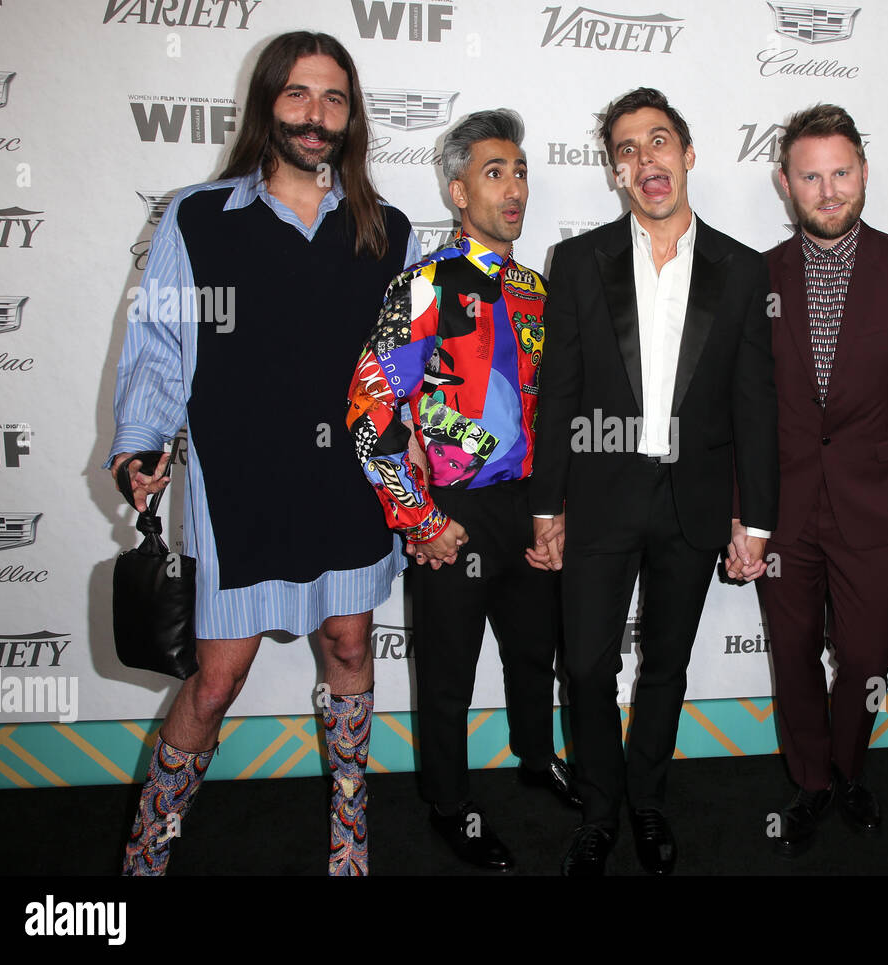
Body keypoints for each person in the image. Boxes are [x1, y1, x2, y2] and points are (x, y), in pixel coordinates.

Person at [107, 31, 421, 876]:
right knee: (215, 682)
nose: (315, 116)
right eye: (298, 95)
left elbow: (403, 376)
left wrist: (420, 483)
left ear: (352, 118)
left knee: (351, 648)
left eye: (334, 99)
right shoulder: (198, 216)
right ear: (267, 105)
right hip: (239, 486)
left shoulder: (389, 231)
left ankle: (349, 836)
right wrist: (140, 439)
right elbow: (159, 344)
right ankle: (147, 853)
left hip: (350, 486)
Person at [528, 87, 778, 876]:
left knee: (665, 666)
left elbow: (755, 403)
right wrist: (547, 504)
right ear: (615, 172)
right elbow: (558, 392)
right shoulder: (576, 262)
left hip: (693, 504)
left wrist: (757, 519)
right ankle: (601, 809)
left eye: (658, 141)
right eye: (627, 149)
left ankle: (647, 801)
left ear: (688, 153)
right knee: (589, 667)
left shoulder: (741, 268)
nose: (646, 160)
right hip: (599, 500)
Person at [346, 109, 577, 873]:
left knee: (534, 654)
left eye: (519, 171)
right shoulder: (425, 287)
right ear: (455, 191)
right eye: (493, 172)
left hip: (529, 509)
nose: (514, 189)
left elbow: (558, 412)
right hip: (453, 513)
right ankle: (449, 805)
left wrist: (556, 509)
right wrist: (420, 517)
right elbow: (367, 412)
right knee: (447, 677)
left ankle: (538, 764)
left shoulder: (540, 291)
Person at [757, 105, 888, 857]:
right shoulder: (760, 276)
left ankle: (848, 766)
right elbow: (743, 407)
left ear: (865, 174)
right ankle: (812, 779)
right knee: (793, 652)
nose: (828, 189)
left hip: (880, 504)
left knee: (869, 657)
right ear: (785, 183)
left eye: (840, 172)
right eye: (810, 175)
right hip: (782, 508)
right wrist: (743, 513)